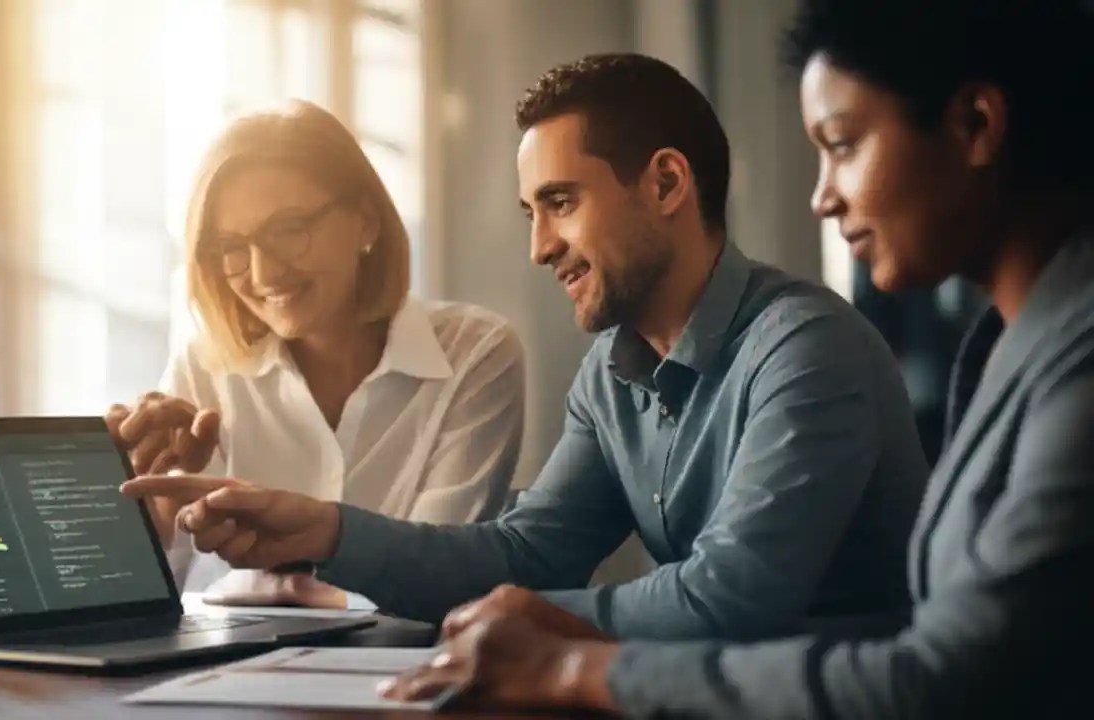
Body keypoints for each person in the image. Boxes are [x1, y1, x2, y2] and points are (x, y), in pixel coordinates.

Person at [375, 0, 1094, 716]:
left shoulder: (1049, 352)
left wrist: (569, 666)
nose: (821, 198)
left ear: (975, 126)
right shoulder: (1007, 345)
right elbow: (528, 550)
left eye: (841, 144)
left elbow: (944, 677)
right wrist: (325, 534)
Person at [122, 54, 930, 641]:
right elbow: (526, 552)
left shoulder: (807, 348)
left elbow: (733, 596)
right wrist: (325, 531)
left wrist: (525, 616)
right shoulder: (613, 374)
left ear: (666, 184)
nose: (540, 247)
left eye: (561, 203)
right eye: (529, 213)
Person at [107, 100, 525, 608]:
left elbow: (438, 579)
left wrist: (271, 586)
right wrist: (156, 508)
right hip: (230, 676)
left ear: (365, 222)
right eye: (232, 245)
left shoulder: (474, 353)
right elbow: (147, 604)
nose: (263, 274)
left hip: (402, 674)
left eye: (289, 230)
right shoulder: (204, 367)